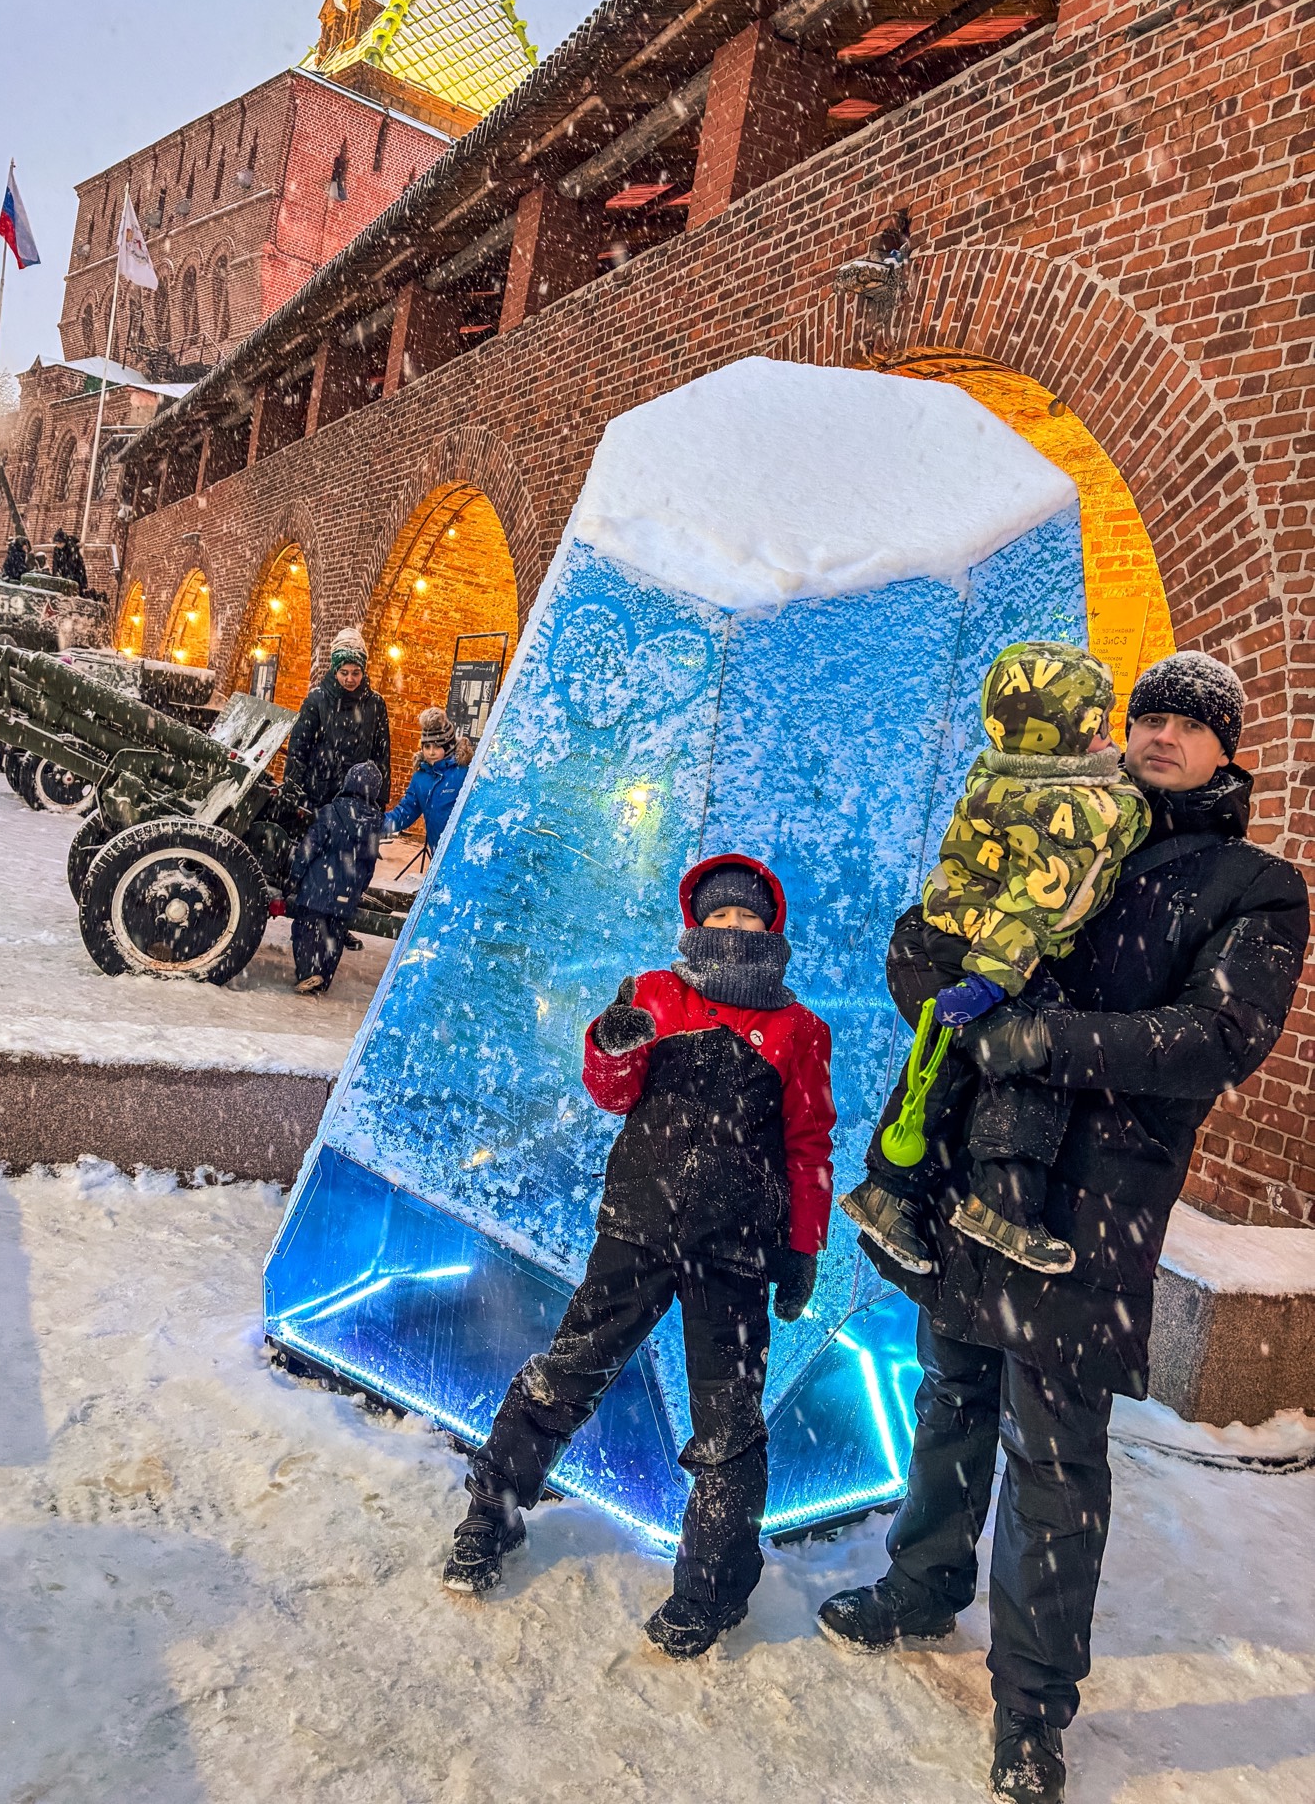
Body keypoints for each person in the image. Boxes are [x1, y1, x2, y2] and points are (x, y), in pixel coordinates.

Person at [818, 651, 1309, 1804]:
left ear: (1229, 751)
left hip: (1096, 1201)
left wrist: (1050, 1040)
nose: (1162, 733)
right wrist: (941, 977)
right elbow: (924, 937)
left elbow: (1219, 1035)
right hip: (973, 1167)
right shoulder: (1056, 812)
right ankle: (924, 1582)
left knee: (1054, 1453)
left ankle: (1033, 1706)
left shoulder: (1251, 884)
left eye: (1193, 722)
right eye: (1149, 712)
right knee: (948, 1392)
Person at [442, 855, 836, 1658]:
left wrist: (802, 1247)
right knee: (570, 1369)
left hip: (735, 1252)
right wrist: (610, 1043)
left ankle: (713, 1589)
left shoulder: (800, 1029)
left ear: (772, 929)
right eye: (720, 918)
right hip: (638, 1226)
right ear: (698, 919)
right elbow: (611, 1091)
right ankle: (494, 1512)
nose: (732, 931)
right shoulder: (654, 989)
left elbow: (808, 1144)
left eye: (747, 920)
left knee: (727, 1423)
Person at [841, 642, 1150, 1276]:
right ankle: (1004, 1207)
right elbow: (1035, 905)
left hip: (945, 933)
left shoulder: (996, 777)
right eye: (1097, 725)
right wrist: (990, 980)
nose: (1106, 738)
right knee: (1031, 1061)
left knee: (940, 1061)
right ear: (1067, 735)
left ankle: (888, 1188)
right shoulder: (1077, 809)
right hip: (994, 952)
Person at [286, 759, 385, 993]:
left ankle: (308, 973)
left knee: (307, 928)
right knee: (335, 933)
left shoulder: (331, 812)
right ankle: (324, 978)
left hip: (318, 886)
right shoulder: (374, 824)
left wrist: (294, 876)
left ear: (348, 782)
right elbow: (369, 864)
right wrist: (359, 889)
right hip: (347, 890)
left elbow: (309, 848)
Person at [284, 628, 391, 813]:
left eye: (356, 673)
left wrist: (379, 800)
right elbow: (299, 748)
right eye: (344, 672)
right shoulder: (317, 700)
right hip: (318, 794)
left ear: (363, 672)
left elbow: (381, 755)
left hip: (357, 798)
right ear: (335, 671)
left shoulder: (375, 704)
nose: (350, 679)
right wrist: (293, 790)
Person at [382, 706, 473, 853]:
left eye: (437, 747)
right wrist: (374, 824)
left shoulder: (463, 774)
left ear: (448, 746)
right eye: (427, 746)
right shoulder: (420, 778)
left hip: (463, 851)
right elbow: (405, 811)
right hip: (437, 851)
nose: (431, 752)